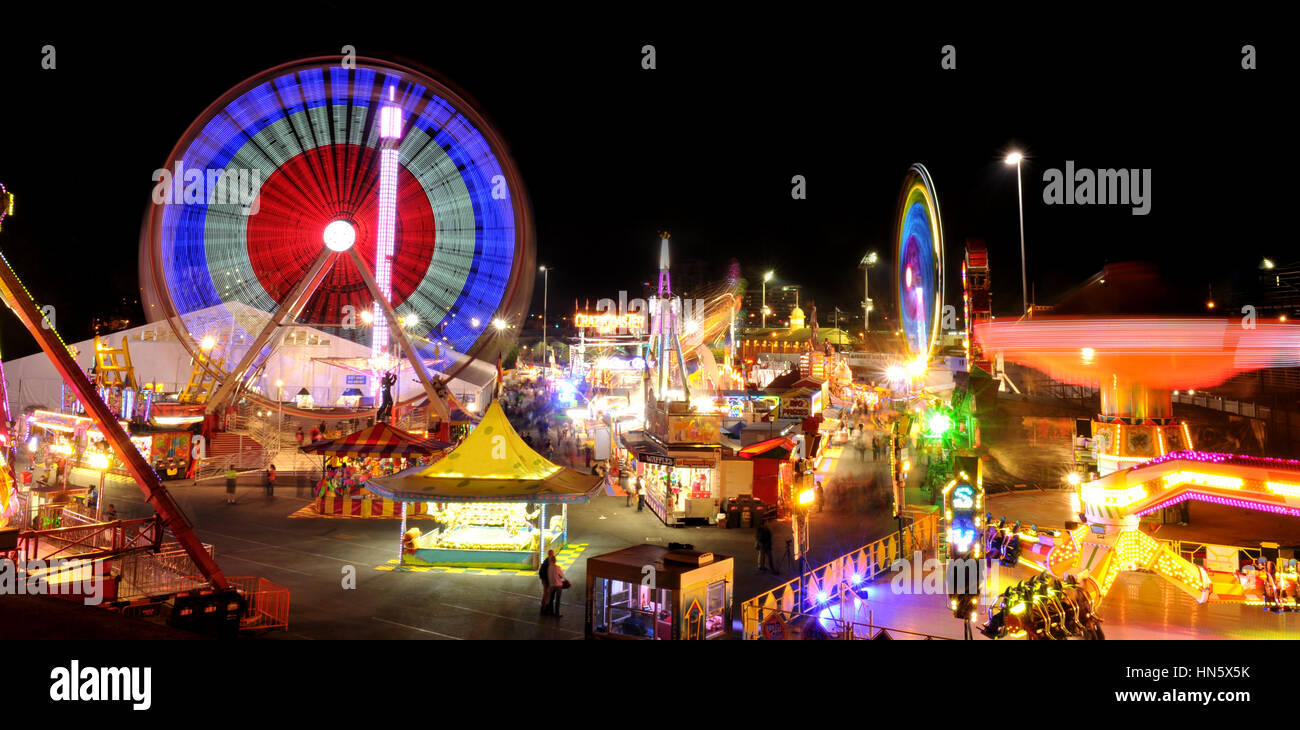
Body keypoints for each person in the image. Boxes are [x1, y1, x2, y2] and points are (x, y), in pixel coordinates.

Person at [547, 550, 568, 616]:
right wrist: (566, 580)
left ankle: (551, 612)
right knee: (557, 600)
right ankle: (557, 613)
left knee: (551, 599)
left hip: (551, 585)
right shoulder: (557, 568)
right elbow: (562, 576)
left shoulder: (549, 568)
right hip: (558, 585)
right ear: (555, 561)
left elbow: (549, 576)